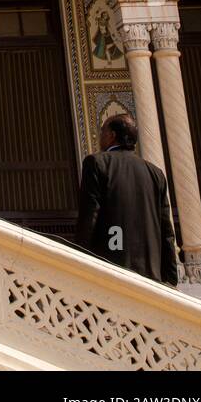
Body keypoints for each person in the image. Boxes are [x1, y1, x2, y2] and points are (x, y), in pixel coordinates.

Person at [76, 114, 179, 286]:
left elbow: (89, 217)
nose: (100, 136)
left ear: (112, 135)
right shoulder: (155, 173)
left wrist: (78, 259)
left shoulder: (97, 163)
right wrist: (171, 278)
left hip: (110, 270)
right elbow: (166, 231)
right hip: (150, 276)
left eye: (102, 131)